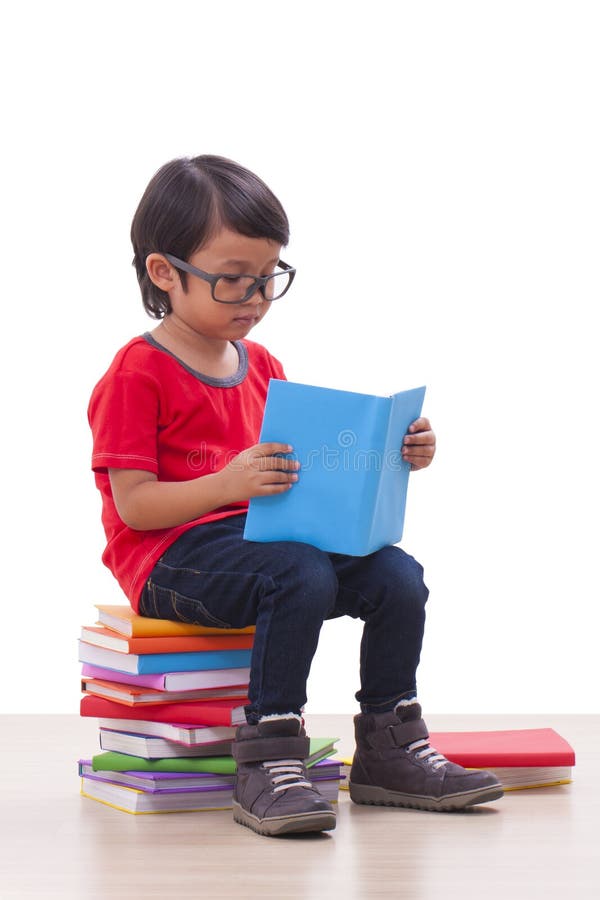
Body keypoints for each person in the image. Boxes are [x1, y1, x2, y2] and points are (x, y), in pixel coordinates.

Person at [88, 154, 503, 837]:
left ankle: (389, 747)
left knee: (398, 575)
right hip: (170, 558)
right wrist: (226, 485)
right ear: (164, 273)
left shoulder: (263, 366)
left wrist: (395, 454)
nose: (254, 299)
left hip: (260, 543)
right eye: (232, 282)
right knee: (298, 571)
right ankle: (271, 756)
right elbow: (134, 507)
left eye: (267, 279)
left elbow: (296, 477)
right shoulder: (138, 372)